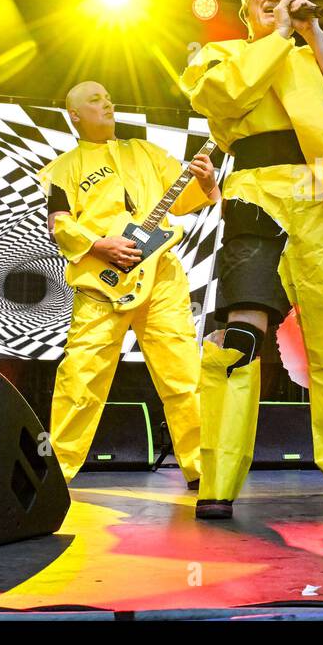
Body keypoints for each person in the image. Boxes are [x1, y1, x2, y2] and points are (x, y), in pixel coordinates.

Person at [180, 0, 323, 521]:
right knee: (239, 337)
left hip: (321, 204)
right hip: (257, 197)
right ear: (245, 4)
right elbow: (228, 99)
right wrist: (277, 36)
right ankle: (217, 476)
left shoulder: (318, 54)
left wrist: (312, 32)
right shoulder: (221, 55)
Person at [40, 81, 220, 484]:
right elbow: (58, 222)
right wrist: (98, 244)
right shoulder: (64, 167)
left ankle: (204, 474)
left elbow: (185, 198)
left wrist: (207, 182)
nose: (106, 103)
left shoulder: (145, 152)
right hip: (102, 285)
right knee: (80, 379)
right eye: (94, 100)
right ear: (74, 115)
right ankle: (57, 475)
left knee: (185, 375)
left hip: (162, 278)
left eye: (107, 96)